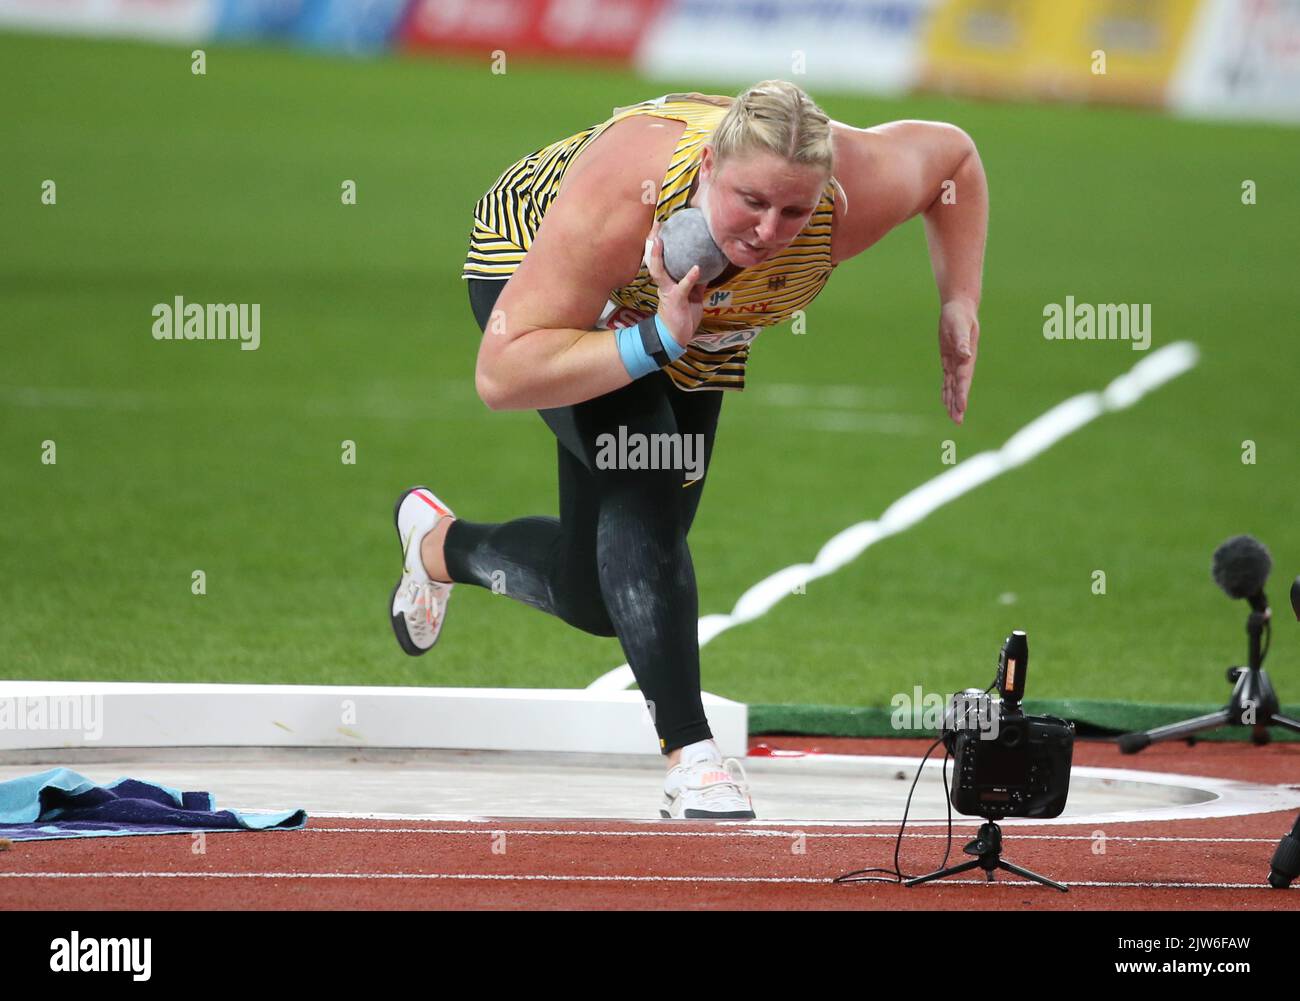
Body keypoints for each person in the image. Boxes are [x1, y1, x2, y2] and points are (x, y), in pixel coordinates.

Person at [390, 81, 987, 819]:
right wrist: (653, 340)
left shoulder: (857, 193)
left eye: (795, 210)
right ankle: (694, 757)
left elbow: (955, 161)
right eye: (751, 200)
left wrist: (959, 299)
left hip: (699, 321)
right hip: (552, 292)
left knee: (596, 595)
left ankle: (440, 547)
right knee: (647, 464)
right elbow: (501, 373)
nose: (769, 231)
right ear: (708, 165)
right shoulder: (621, 197)